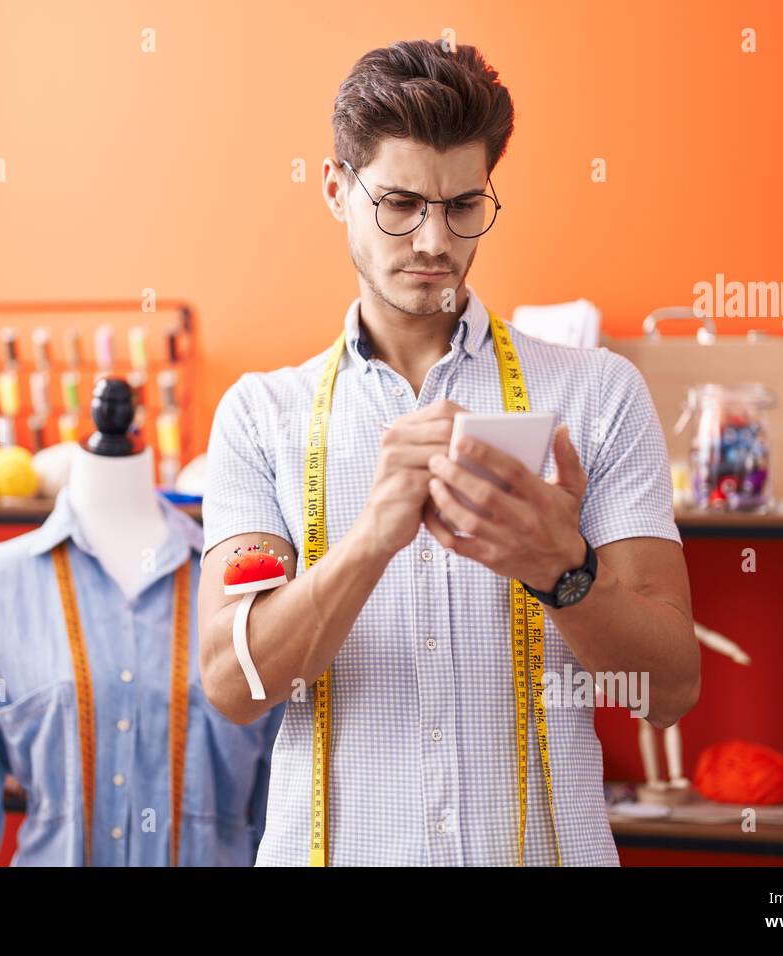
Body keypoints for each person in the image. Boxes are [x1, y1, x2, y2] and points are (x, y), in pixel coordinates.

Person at [197, 39, 699, 866]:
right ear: (336, 189)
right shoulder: (261, 417)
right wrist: (366, 545)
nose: (434, 239)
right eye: (399, 203)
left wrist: (562, 571)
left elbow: (670, 692)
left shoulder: (596, 394)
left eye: (464, 205)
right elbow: (232, 686)